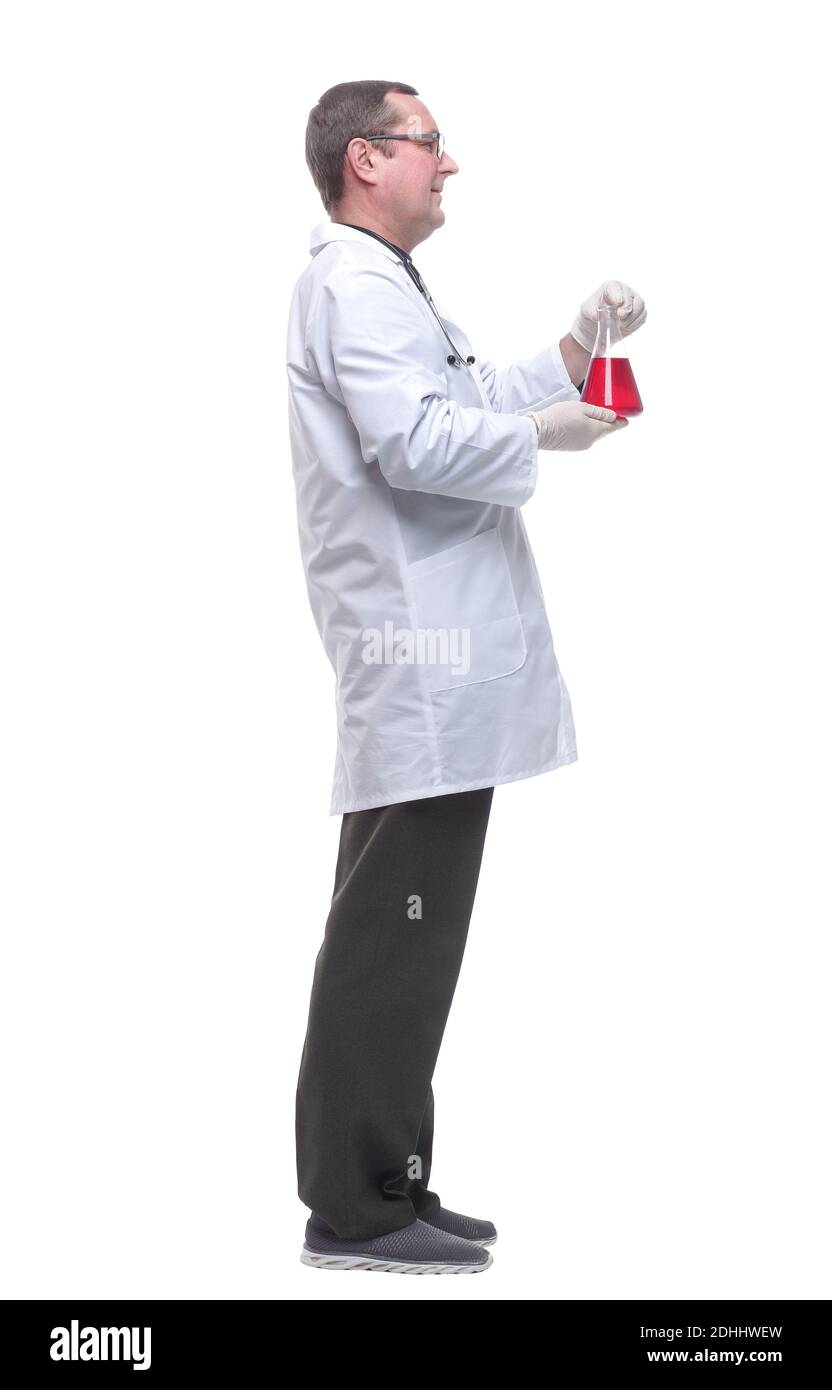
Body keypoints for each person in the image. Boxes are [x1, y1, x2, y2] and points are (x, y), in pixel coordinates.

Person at [287, 80, 646, 1275]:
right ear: (364, 159)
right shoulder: (348, 281)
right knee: (397, 935)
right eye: (430, 144)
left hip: (429, 661)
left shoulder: (380, 284)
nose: (450, 164)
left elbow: (463, 396)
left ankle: (379, 1181)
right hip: (421, 662)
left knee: (399, 931)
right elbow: (417, 441)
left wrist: (574, 353)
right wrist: (546, 437)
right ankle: (359, 1208)